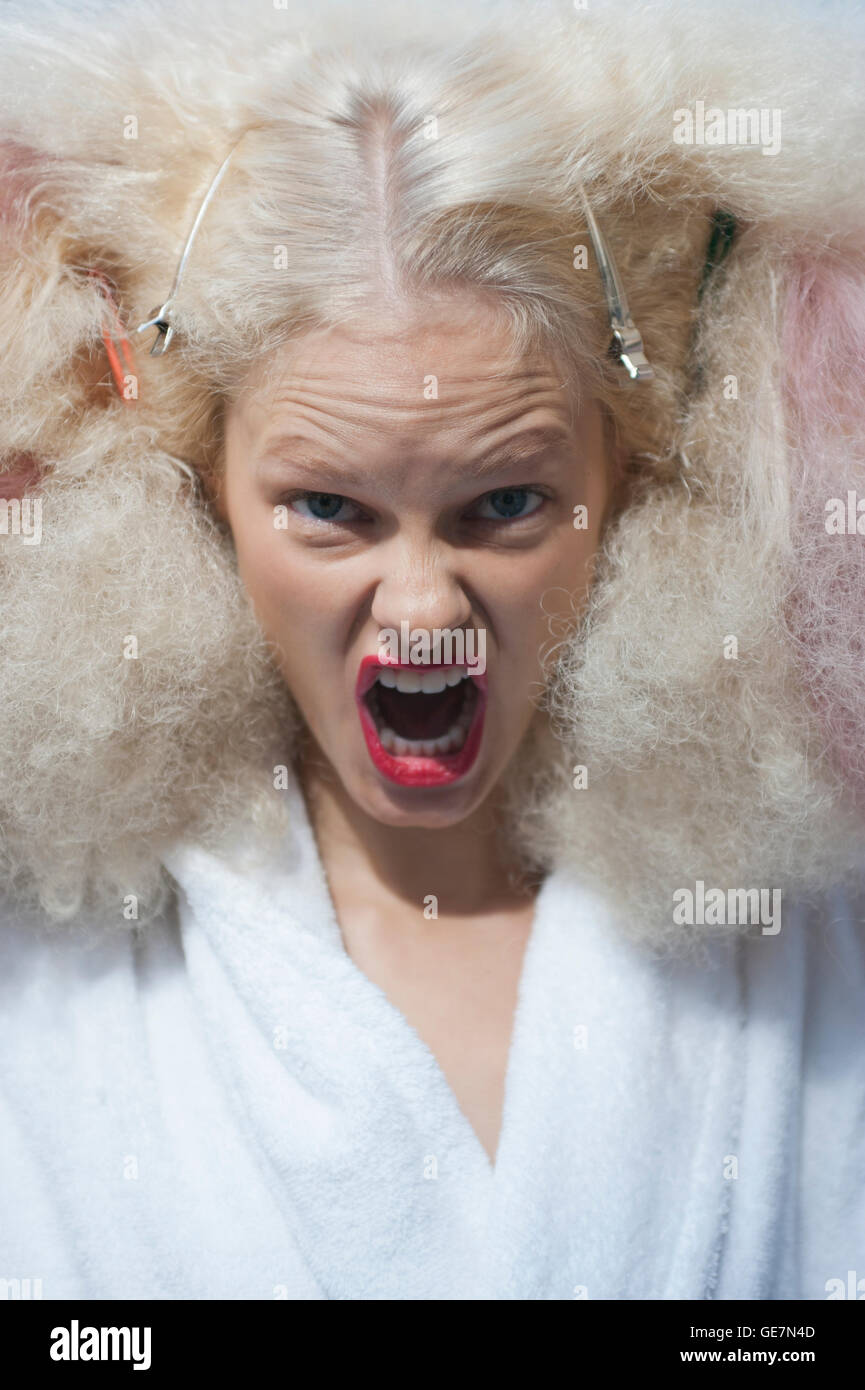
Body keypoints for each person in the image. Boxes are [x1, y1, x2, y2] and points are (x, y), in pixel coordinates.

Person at [0, 0, 863, 1300]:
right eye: (329, 509)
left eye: (503, 504)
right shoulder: (48, 959)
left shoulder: (808, 932)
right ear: (199, 494)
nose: (417, 610)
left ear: (625, 486)